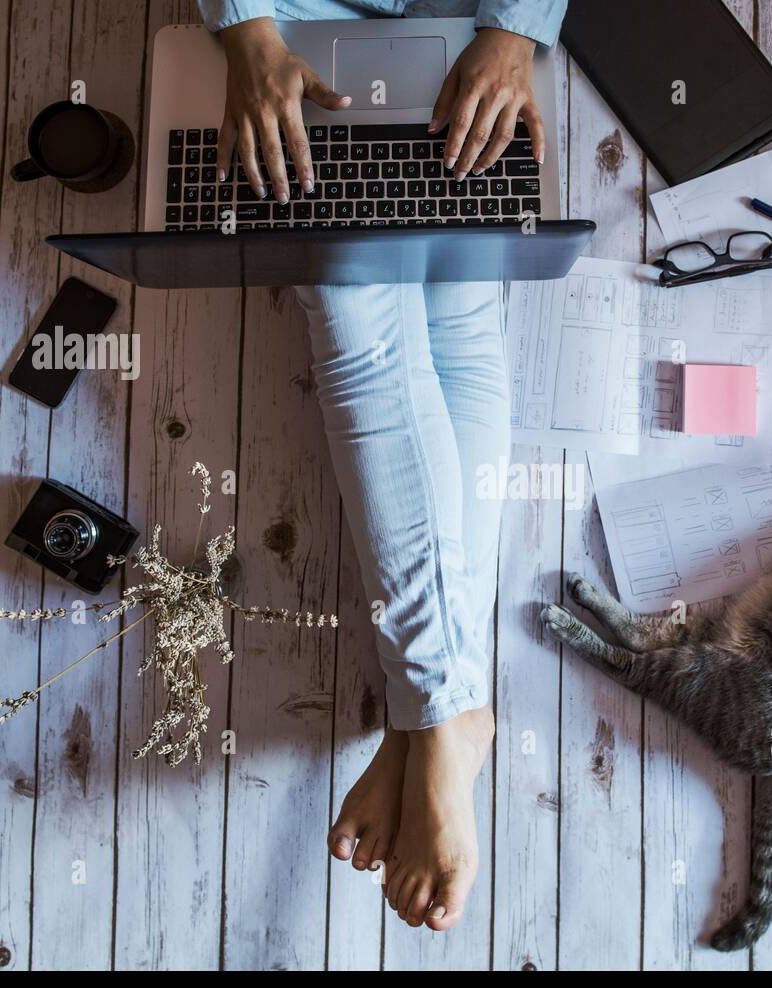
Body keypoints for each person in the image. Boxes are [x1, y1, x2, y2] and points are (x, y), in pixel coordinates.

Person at [198, 0, 568, 933]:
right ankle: (444, 711)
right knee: (364, 312)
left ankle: (434, 718)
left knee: (460, 313)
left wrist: (515, 29)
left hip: (466, 18)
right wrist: (246, 33)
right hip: (303, 21)